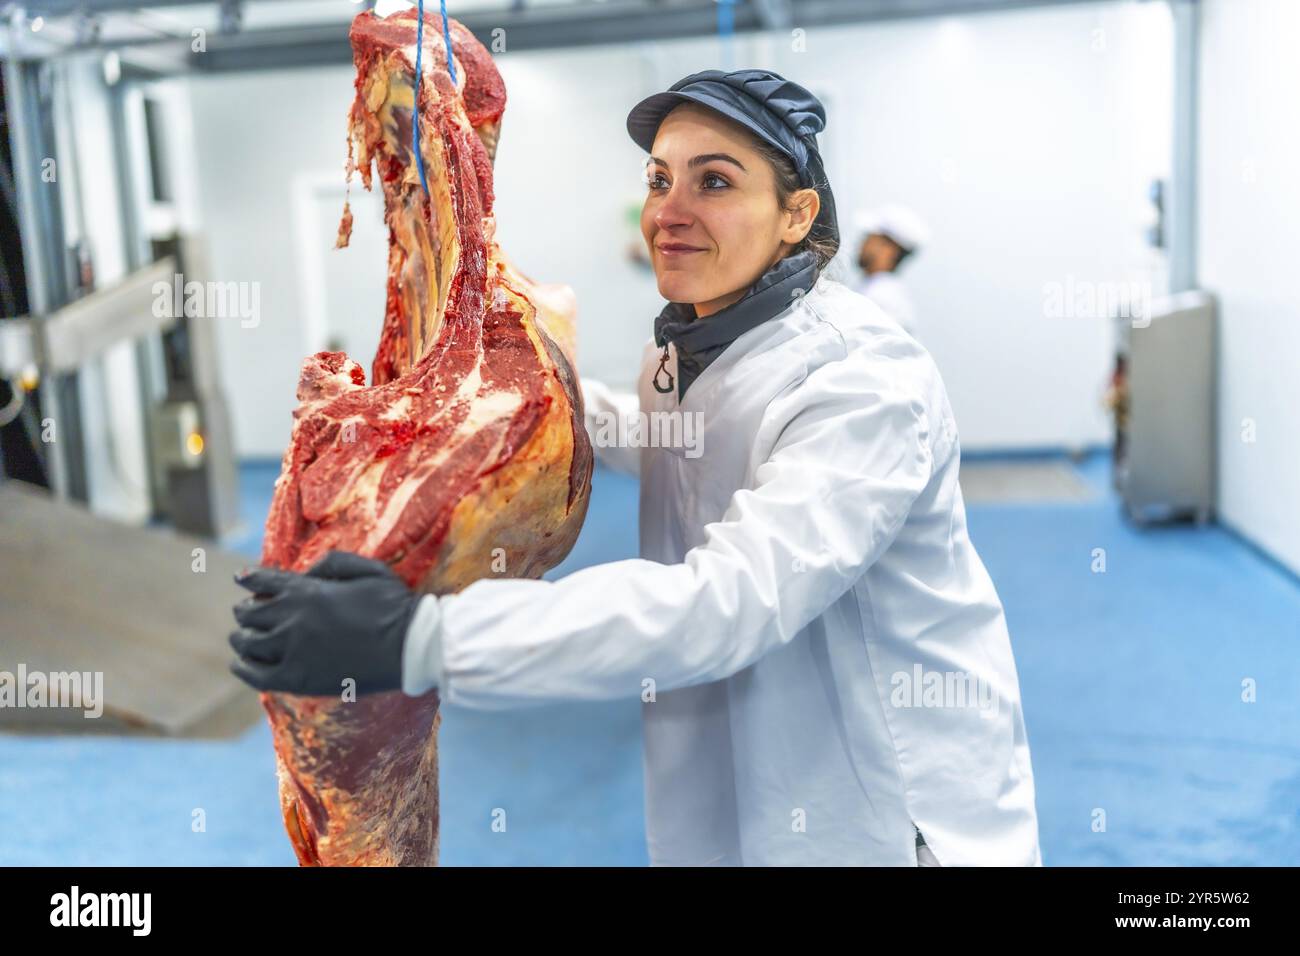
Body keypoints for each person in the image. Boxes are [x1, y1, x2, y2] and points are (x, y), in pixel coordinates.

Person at [230, 69, 1041, 867]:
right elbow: (670, 437)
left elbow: (729, 599)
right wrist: (498, 390)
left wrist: (421, 640)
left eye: (714, 181)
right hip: (742, 779)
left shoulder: (858, 380)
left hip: (885, 816)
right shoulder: (689, 349)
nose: (669, 212)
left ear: (798, 214)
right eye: (659, 179)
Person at [852, 204, 931, 337]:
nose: (862, 243)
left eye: (869, 236)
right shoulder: (883, 293)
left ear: (887, 250)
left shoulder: (879, 298)